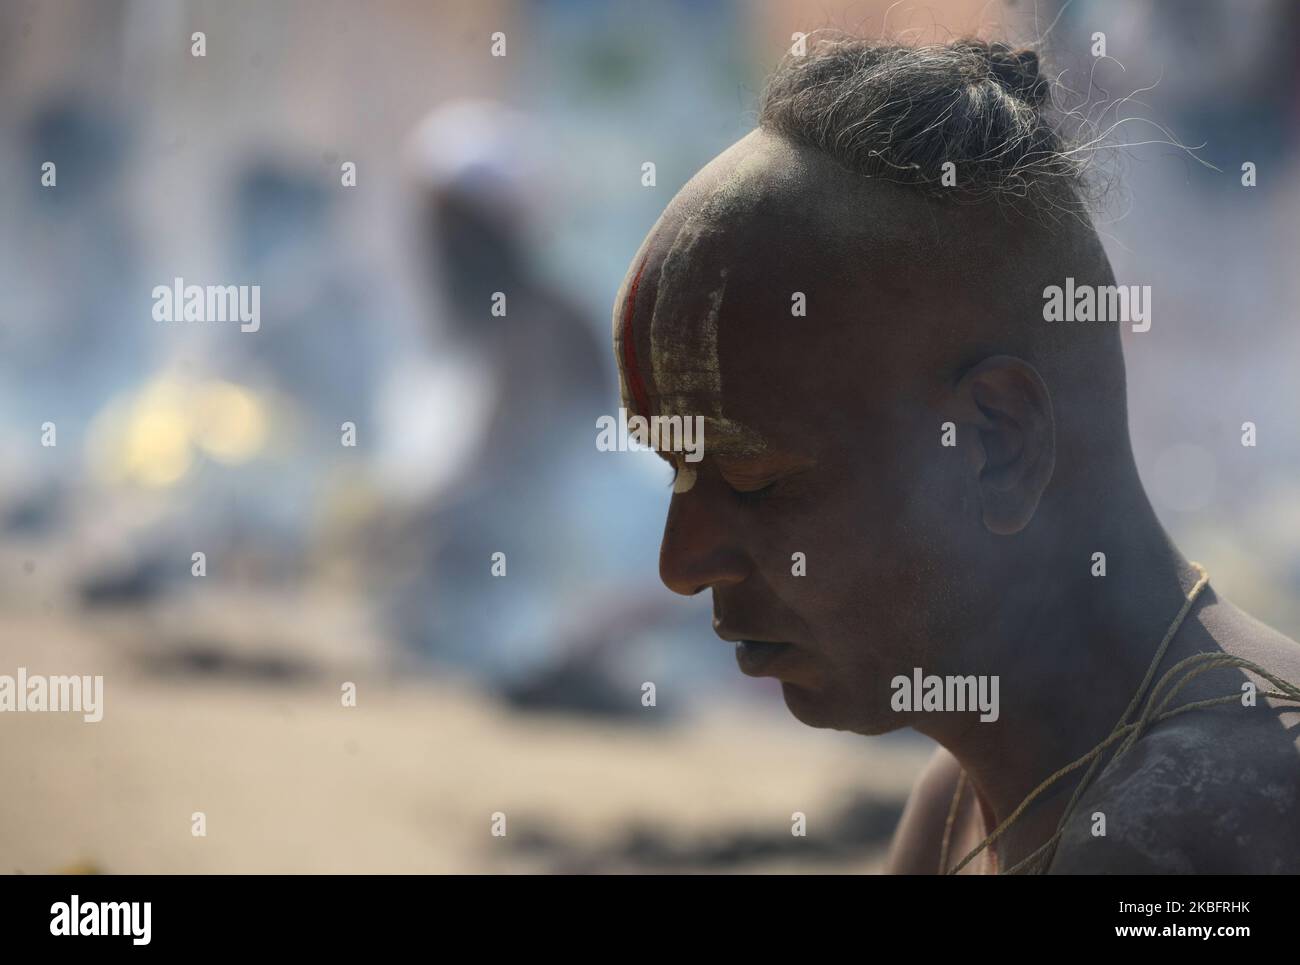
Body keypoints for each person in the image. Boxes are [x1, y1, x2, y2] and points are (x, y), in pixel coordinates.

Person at [611, 35, 1300, 873]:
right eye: (677, 470)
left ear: (996, 446)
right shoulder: (966, 793)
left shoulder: (1188, 827)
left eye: (758, 481)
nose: (681, 564)